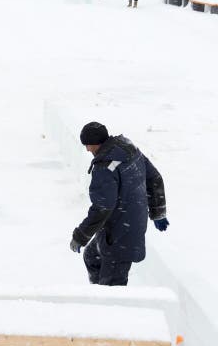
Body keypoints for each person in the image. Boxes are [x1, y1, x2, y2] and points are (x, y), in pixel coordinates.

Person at [70, 122, 169, 286]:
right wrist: (158, 212)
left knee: (112, 287)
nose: (87, 149)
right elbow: (154, 178)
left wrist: (81, 236)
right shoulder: (129, 150)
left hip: (120, 233)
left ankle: (106, 305)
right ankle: (97, 295)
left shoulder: (104, 168)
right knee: (92, 256)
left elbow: (102, 207)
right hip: (126, 222)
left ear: (96, 143)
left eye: (88, 145)